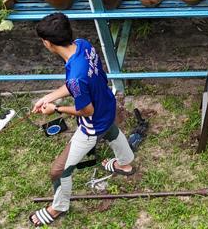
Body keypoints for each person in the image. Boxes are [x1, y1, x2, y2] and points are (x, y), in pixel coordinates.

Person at [29, 12, 135, 226]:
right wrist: (48, 97)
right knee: (111, 131)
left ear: (47, 43)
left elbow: (86, 110)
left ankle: (57, 208)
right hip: (107, 103)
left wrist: (56, 109)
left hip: (92, 122)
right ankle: (125, 164)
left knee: (59, 171)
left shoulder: (75, 77)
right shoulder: (83, 45)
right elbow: (81, 83)